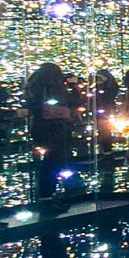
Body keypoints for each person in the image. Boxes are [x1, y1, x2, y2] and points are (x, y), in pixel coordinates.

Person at [22, 62, 81, 212]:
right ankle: (47, 199)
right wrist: (73, 87)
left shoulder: (35, 88)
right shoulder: (53, 87)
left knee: (50, 163)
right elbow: (73, 101)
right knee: (53, 163)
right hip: (55, 129)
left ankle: (48, 198)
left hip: (42, 128)